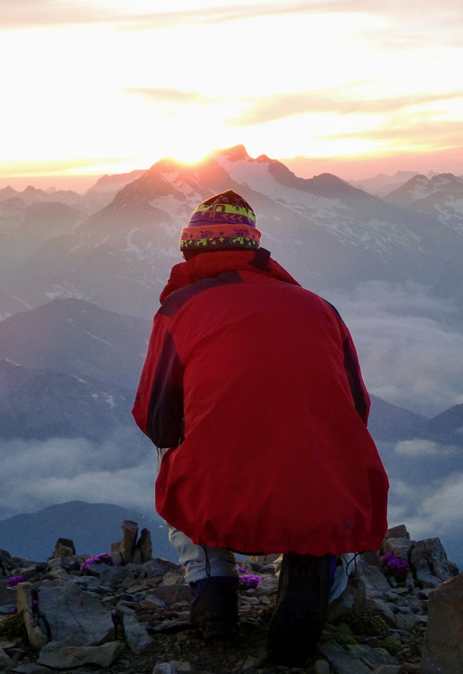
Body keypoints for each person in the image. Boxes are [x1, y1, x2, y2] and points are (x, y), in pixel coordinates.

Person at [133, 190, 389, 665]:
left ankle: (215, 603)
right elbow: (356, 407)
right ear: (255, 249)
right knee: (320, 510)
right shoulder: (318, 307)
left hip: (218, 482)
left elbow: (158, 418)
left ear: (189, 250)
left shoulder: (179, 309)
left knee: (176, 455)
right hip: (319, 488)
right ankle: (299, 618)